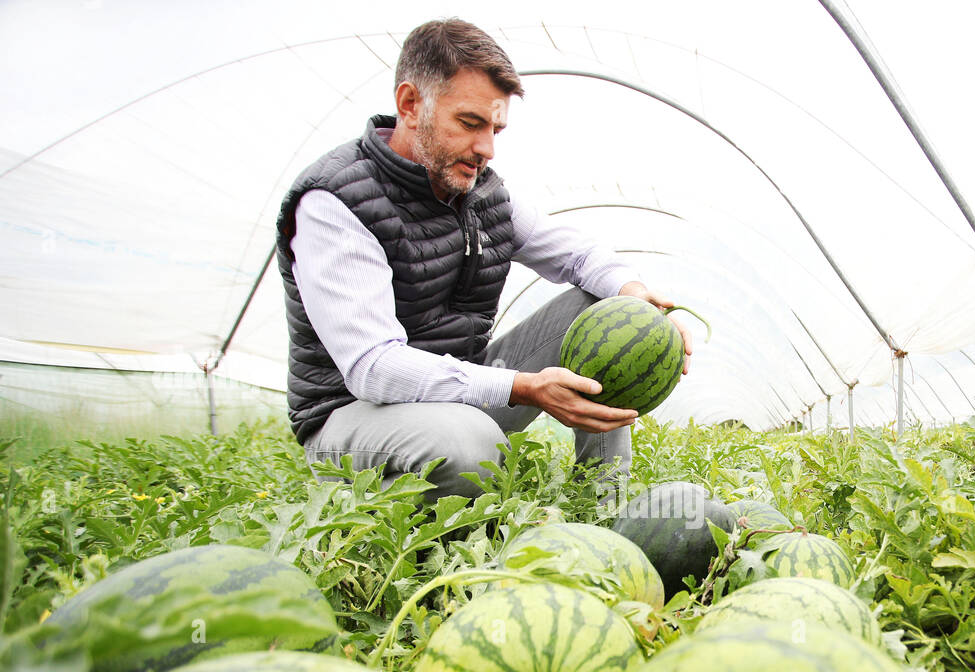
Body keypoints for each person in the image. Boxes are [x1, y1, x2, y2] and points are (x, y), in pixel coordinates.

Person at [274, 18, 692, 502]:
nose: (486, 150)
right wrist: (523, 386)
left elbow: (580, 256)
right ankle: (389, 516)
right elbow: (373, 367)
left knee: (601, 306)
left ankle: (601, 502)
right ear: (411, 105)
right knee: (470, 447)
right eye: (470, 124)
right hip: (352, 415)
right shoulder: (336, 202)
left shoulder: (481, 193)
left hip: (454, 394)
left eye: (495, 129)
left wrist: (638, 301)